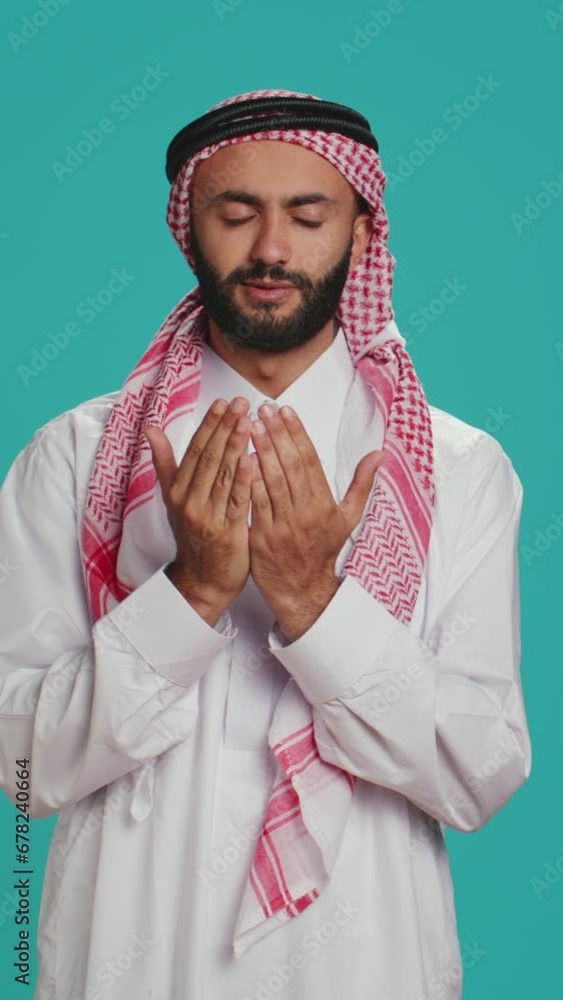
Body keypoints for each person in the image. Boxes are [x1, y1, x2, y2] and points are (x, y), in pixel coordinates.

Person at [0, 88, 531, 1000]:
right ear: (188, 231)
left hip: (367, 964)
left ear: (363, 232)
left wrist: (316, 607)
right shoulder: (79, 455)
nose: (271, 249)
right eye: (236, 214)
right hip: (128, 958)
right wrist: (189, 596)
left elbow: (479, 773)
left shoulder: (456, 466)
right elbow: (19, 769)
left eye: (308, 214)